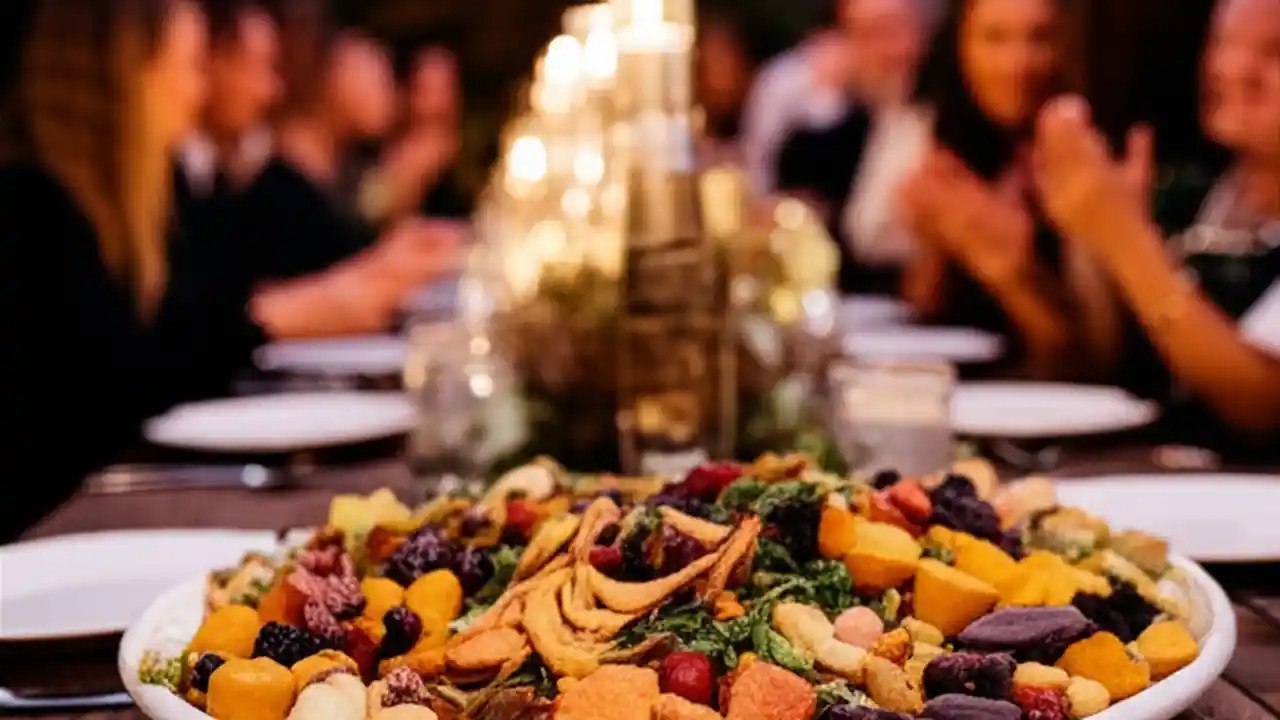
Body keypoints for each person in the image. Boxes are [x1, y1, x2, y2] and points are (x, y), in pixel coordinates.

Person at [0, 0, 453, 539]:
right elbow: (103, 399)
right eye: (190, 67)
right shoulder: (29, 216)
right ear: (120, 77)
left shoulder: (128, 212)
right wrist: (267, 317)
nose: (199, 91)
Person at [1034, 0, 1280, 442]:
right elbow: (1112, 359)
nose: (1234, 67)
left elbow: (1263, 401)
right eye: (1223, 43)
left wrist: (1127, 241)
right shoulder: (1191, 190)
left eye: (1276, 51)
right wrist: (1089, 240)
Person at [896, 0, 1106, 377]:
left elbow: (1090, 360)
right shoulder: (957, 141)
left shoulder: (1084, 152)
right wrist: (935, 241)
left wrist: (1010, 272)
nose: (1017, 64)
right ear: (960, 46)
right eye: (995, 39)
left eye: (1040, 38)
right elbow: (925, 308)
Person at [240, 4, 450, 283]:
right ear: (336, 76)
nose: (392, 98)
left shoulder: (344, 171)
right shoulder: (283, 191)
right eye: (377, 78)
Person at [773, 0, 935, 294]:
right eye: (864, 36)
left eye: (893, 30)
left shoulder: (951, 126)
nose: (885, 52)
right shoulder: (855, 126)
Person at [174, 0, 281, 235]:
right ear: (212, 62)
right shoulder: (165, 179)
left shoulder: (236, 174)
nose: (270, 91)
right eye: (258, 68)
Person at [362, 45, 471, 224]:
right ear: (410, 92)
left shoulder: (463, 158)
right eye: (427, 90)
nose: (437, 103)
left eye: (444, 90)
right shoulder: (387, 149)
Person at [695, 10, 756, 166]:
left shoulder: (759, 109)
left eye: (728, 63)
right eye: (714, 64)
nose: (723, 72)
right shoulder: (696, 122)